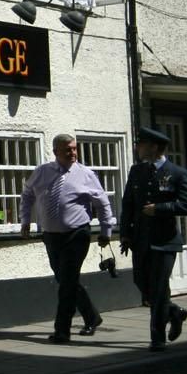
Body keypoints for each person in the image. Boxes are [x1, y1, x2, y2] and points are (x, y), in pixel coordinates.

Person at [20, 133, 113, 343]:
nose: (72, 153)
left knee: (67, 282)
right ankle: (92, 316)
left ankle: (62, 330)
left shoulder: (86, 174)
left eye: (74, 148)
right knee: (65, 280)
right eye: (67, 150)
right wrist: (25, 219)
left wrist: (106, 231)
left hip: (77, 234)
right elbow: (27, 194)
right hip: (51, 236)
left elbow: (102, 204)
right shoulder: (42, 172)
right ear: (55, 152)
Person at [119, 127, 187, 350]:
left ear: (154, 147)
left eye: (141, 144)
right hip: (140, 240)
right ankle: (173, 312)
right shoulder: (137, 171)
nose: (137, 148)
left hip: (165, 241)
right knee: (142, 284)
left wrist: (161, 208)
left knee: (159, 287)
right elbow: (128, 205)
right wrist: (125, 234)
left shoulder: (177, 173)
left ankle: (157, 337)